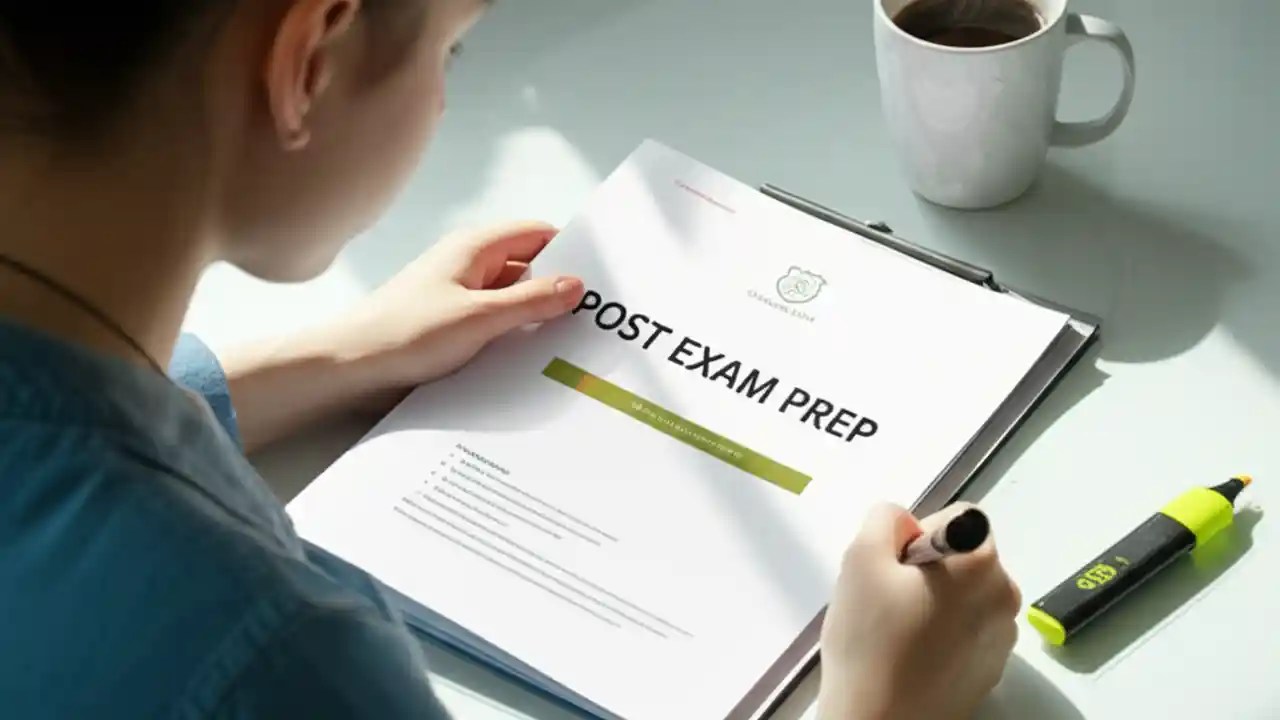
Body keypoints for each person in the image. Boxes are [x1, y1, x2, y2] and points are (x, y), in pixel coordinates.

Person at [0, 1, 1021, 718]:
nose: (445, 103)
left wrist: (314, 360)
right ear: (309, 53)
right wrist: (873, 708)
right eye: (452, 51)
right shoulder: (278, 666)